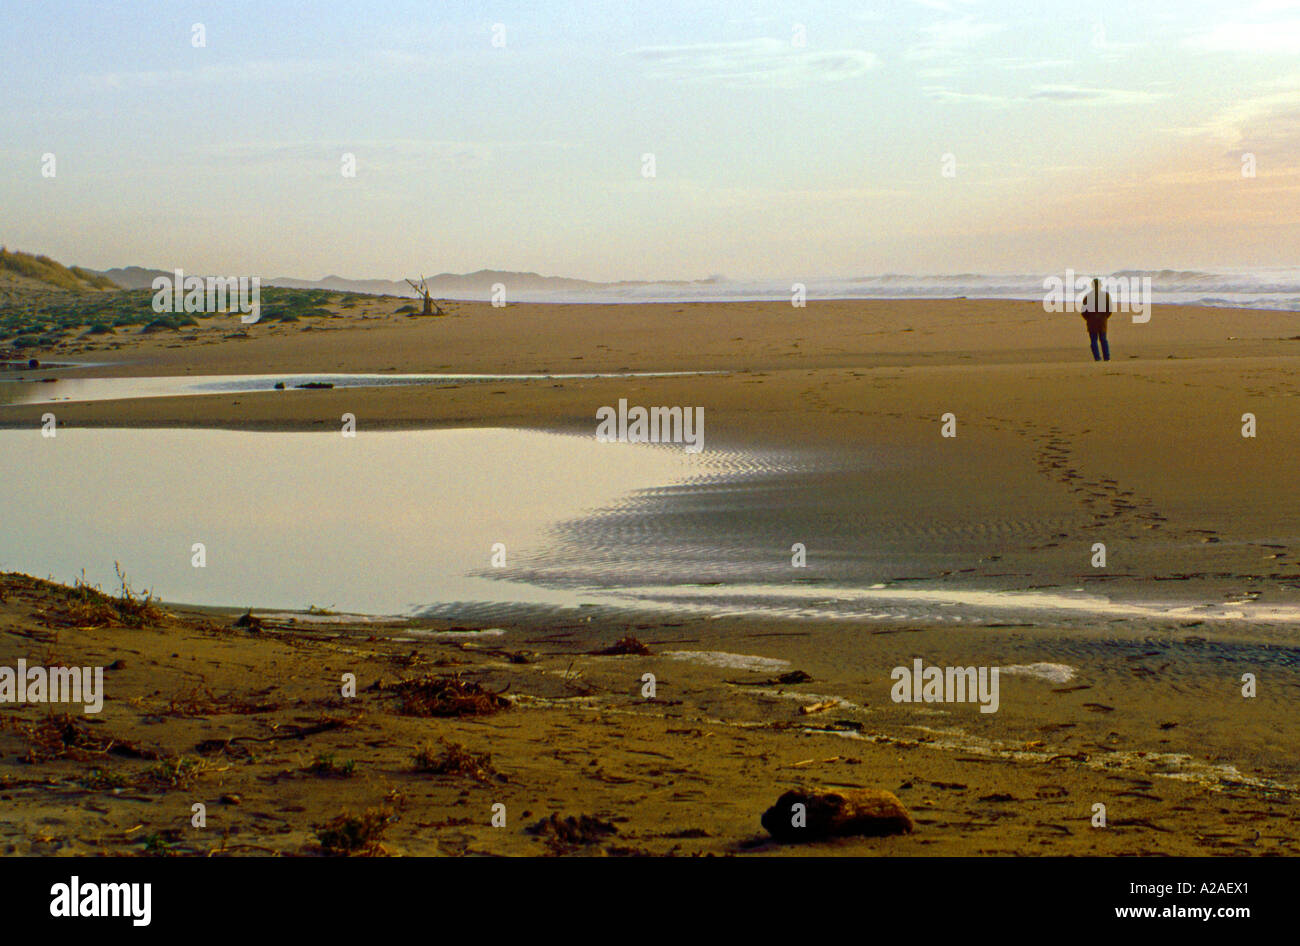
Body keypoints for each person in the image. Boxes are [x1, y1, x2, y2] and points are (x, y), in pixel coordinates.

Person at [1080, 277, 1111, 361]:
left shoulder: (1088, 296)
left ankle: (1097, 358)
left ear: (1092, 286)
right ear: (1100, 286)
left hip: (1092, 321)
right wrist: (1105, 317)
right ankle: (1107, 358)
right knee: (1103, 340)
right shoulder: (1106, 296)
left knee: (1094, 341)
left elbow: (1083, 311)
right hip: (1102, 321)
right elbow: (1109, 310)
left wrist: (1088, 318)